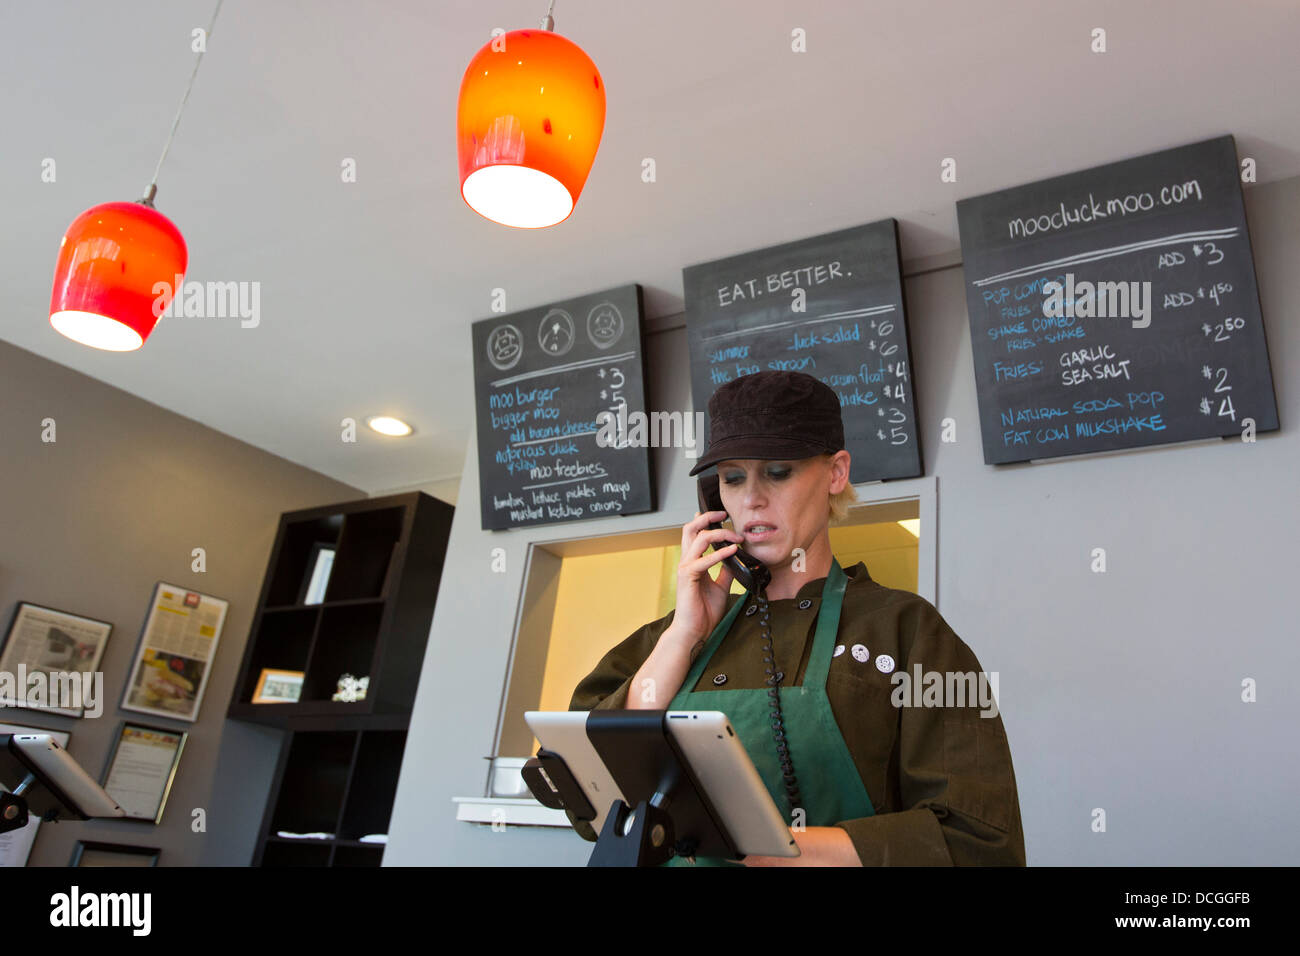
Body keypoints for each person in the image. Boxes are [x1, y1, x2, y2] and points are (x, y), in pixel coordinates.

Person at [568, 370, 1025, 866]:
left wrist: (779, 849)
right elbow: (587, 791)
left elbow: (978, 839)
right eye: (732, 478)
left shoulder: (908, 631)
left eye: (778, 471)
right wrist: (683, 637)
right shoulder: (676, 634)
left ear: (835, 473)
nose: (751, 499)